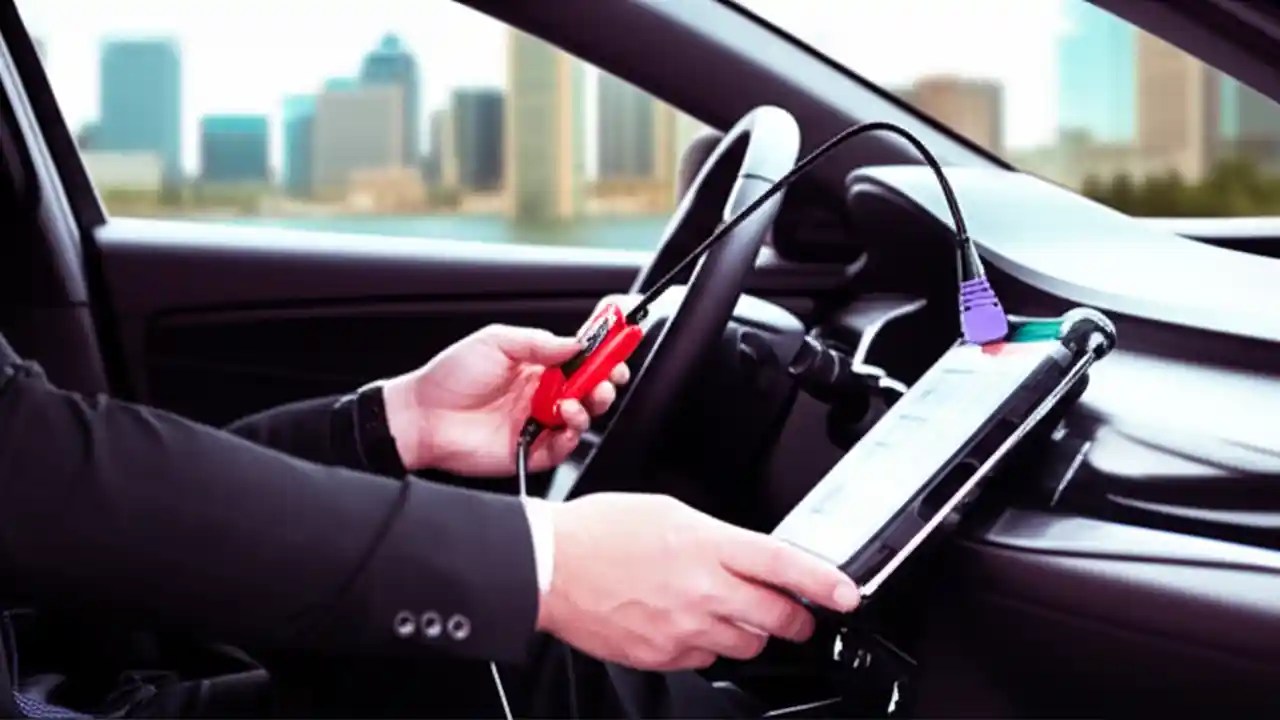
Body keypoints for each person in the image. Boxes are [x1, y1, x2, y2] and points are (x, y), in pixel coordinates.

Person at [0, 318, 860, 718]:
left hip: (61, 662)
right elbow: (28, 463)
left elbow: (43, 464)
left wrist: (394, 423)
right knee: (520, 665)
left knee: (471, 668)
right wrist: (541, 571)